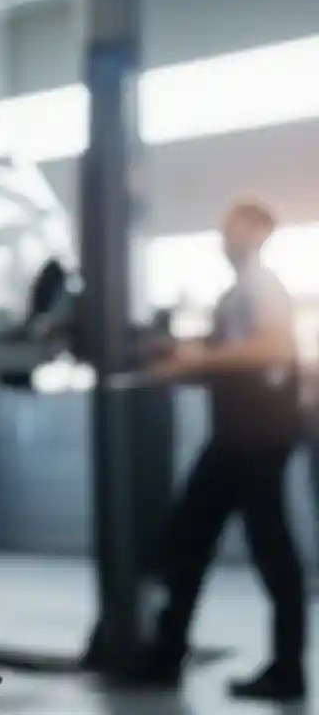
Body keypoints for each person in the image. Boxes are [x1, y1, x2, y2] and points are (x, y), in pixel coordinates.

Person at [142, 200, 307, 702]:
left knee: (269, 552)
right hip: (235, 436)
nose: (223, 234)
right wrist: (180, 359)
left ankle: (287, 671)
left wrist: (201, 356)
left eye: (233, 226)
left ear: (257, 232)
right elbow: (231, 352)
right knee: (187, 539)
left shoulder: (262, 285)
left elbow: (273, 349)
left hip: (256, 437)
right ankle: (166, 656)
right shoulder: (238, 293)